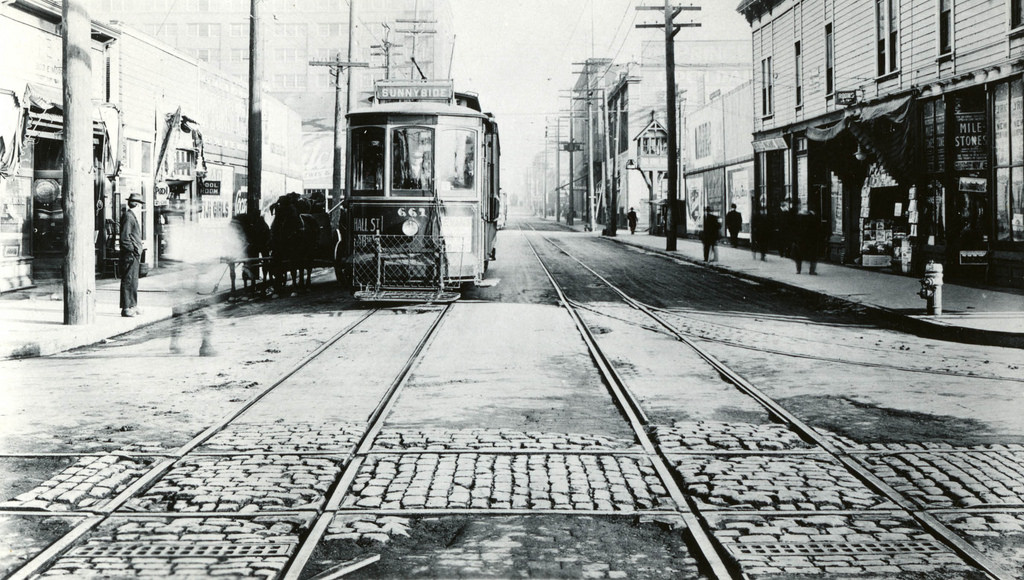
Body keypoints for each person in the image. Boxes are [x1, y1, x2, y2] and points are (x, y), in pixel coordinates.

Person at [119, 192, 144, 317]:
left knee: (133, 280)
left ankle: (133, 305)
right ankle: (126, 307)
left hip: (134, 253)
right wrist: (132, 250)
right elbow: (124, 237)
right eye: (140, 204)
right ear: (136, 205)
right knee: (128, 280)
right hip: (130, 254)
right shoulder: (129, 217)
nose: (141, 207)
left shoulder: (131, 216)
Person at [794, 208, 821, 274]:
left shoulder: (798, 218)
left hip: (800, 240)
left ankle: (798, 270)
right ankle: (812, 271)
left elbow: (794, 229)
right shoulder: (813, 218)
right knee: (813, 256)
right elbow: (817, 229)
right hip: (811, 240)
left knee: (798, 256)